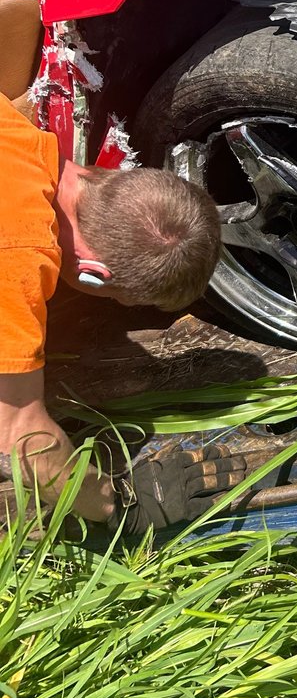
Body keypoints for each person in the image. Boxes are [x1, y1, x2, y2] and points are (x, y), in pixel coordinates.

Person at [0, 91, 248, 530]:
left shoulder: (12, 129)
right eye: (118, 297)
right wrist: (117, 505)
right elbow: (20, 436)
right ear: (95, 273)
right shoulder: (18, 257)